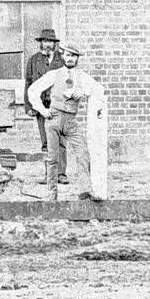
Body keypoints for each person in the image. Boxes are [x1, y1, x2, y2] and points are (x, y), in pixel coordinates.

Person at [27, 41, 102, 201]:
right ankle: (51, 194)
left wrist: (82, 92)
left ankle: (85, 190)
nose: (70, 59)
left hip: (71, 121)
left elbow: (98, 89)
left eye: (73, 56)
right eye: (68, 55)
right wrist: (42, 110)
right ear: (63, 56)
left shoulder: (82, 76)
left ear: (77, 59)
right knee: (53, 158)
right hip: (54, 118)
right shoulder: (54, 74)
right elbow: (33, 90)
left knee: (82, 153)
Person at [25, 28, 66, 184]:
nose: (47, 45)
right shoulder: (33, 61)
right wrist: (29, 106)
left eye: (50, 42)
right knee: (46, 142)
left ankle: (61, 174)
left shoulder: (62, 61)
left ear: (54, 44)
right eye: (45, 41)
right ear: (40, 43)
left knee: (60, 139)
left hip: (58, 107)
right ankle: (49, 174)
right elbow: (28, 84)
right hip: (41, 107)